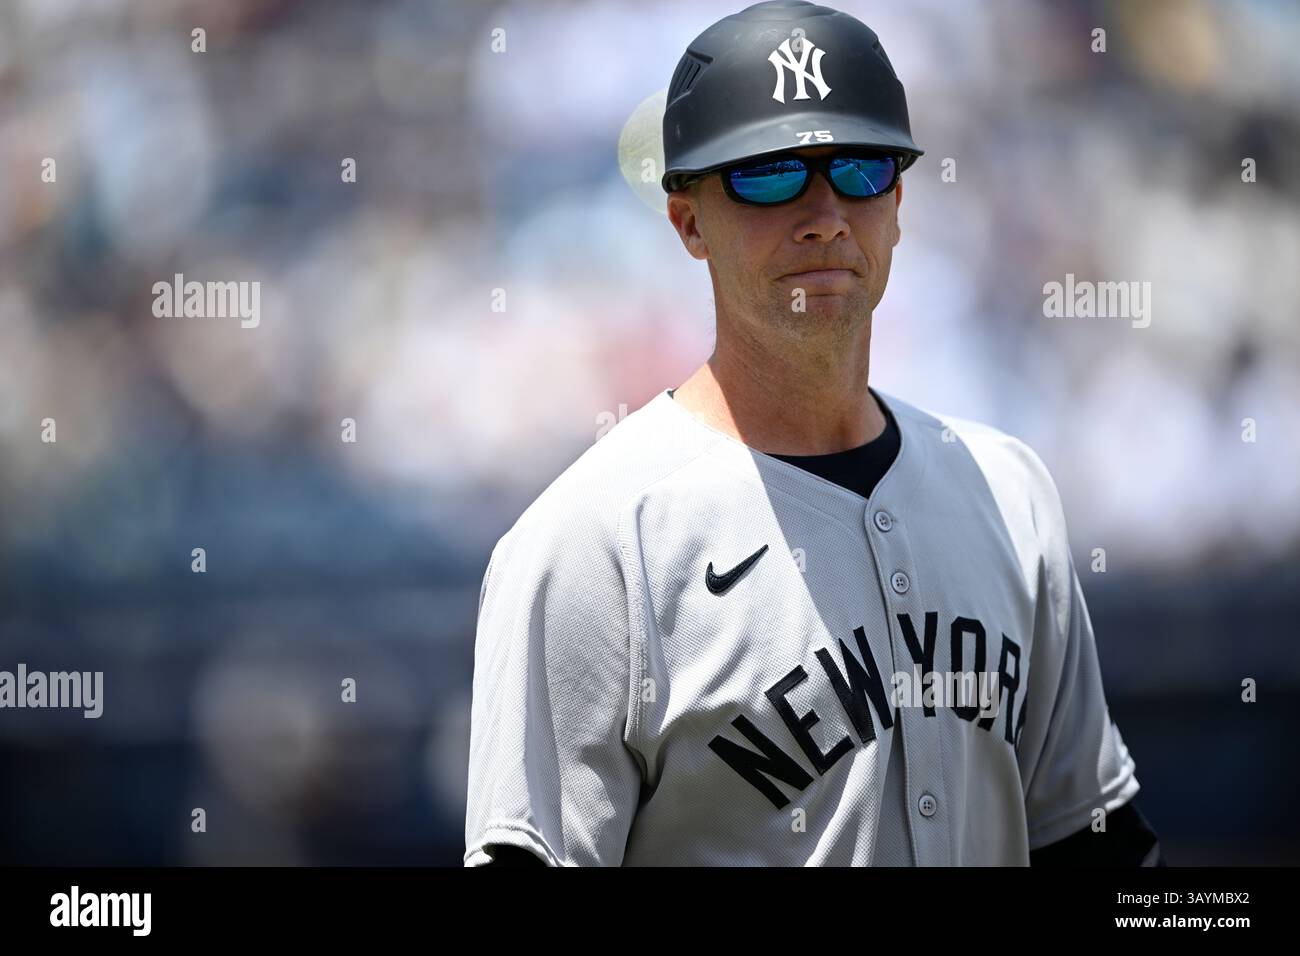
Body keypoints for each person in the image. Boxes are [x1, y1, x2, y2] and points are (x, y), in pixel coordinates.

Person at [464, 0, 1162, 866]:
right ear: (688, 221)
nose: (825, 213)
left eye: (860, 169)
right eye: (769, 174)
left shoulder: (1008, 491)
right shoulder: (591, 545)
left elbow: (1098, 846)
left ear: (898, 203)